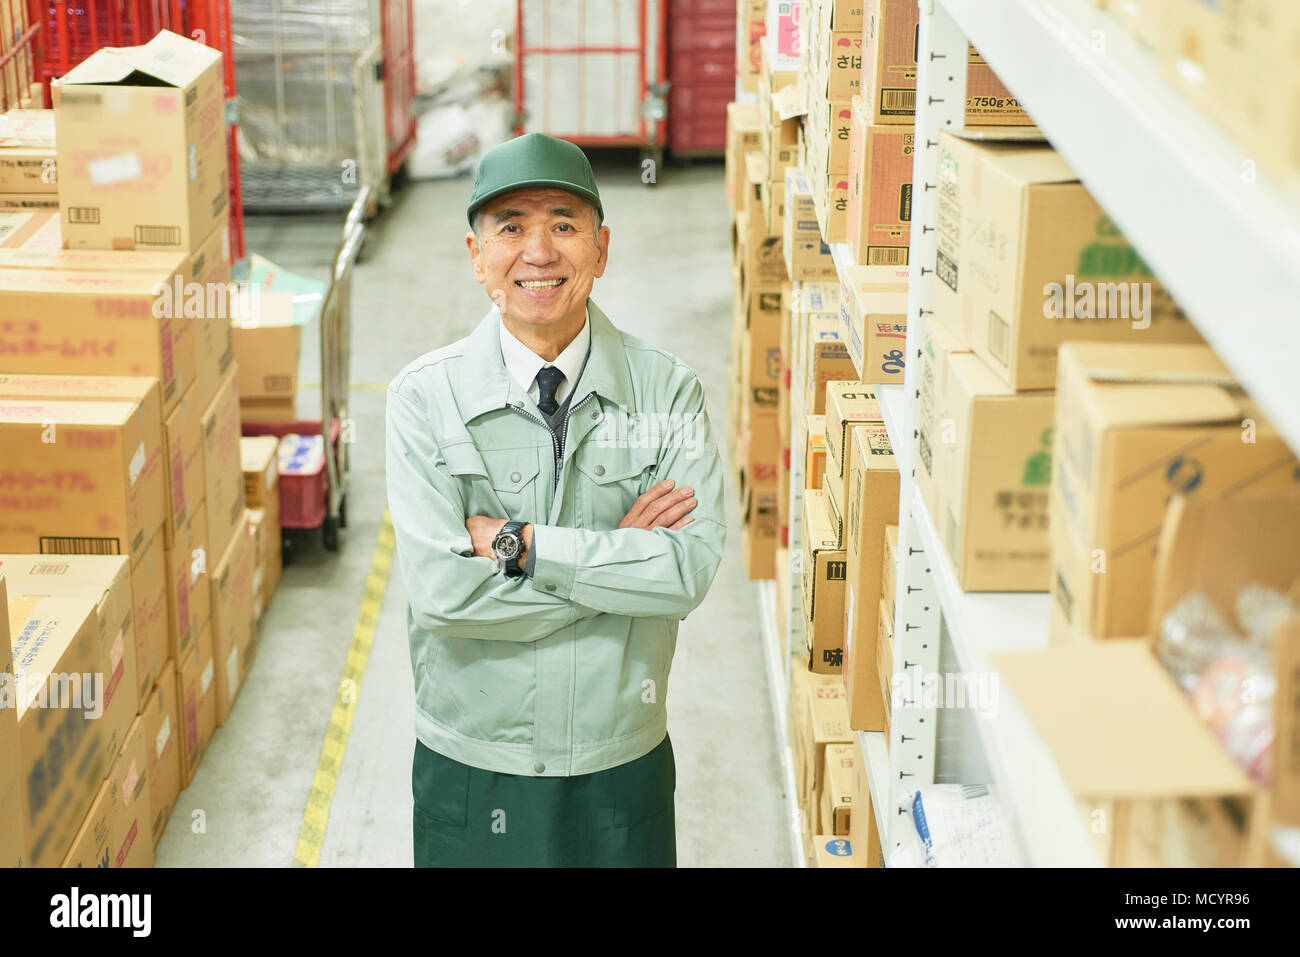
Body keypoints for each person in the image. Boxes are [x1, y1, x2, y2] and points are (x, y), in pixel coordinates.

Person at [385, 133, 727, 867]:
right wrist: (620, 571)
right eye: (511, 226)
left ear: (602, 248)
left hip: (618, 760)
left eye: (564, 225)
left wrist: (520, 546)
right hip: (476, 763)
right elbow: (444, 594)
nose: (538, 253)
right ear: (476, 255)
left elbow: (686, 572)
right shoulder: (423, 399)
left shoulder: (666, 392)